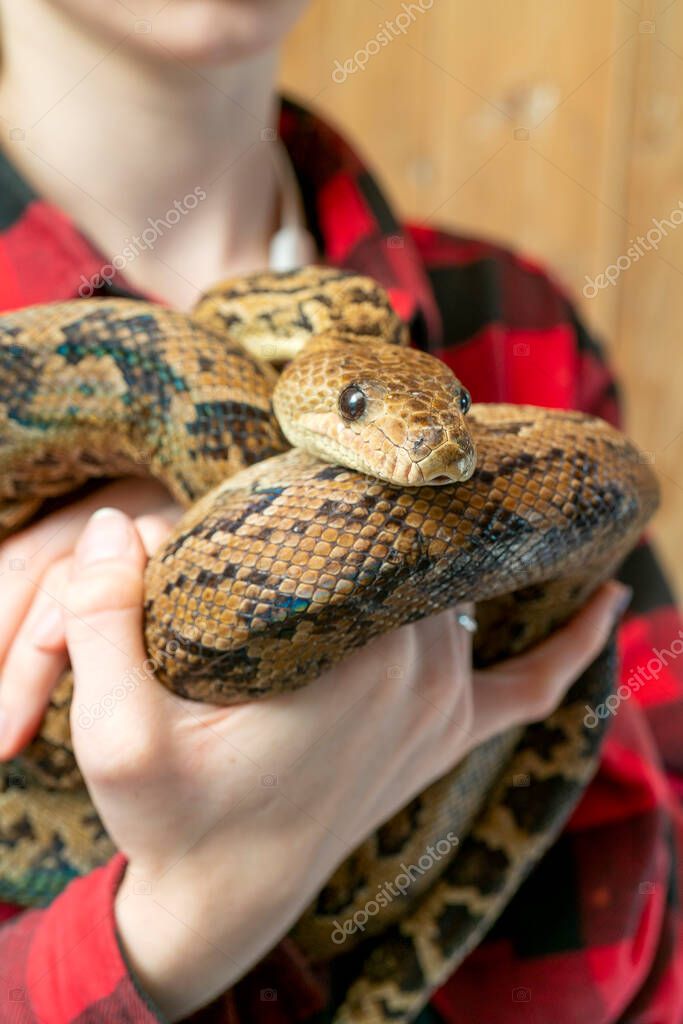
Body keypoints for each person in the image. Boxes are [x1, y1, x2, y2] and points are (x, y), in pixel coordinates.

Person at [0, 3, 679, 1022]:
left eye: (443, 419)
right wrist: (185, 924)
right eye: (360, 415)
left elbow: (648, 927)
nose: (426, 453)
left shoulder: (519, 322)